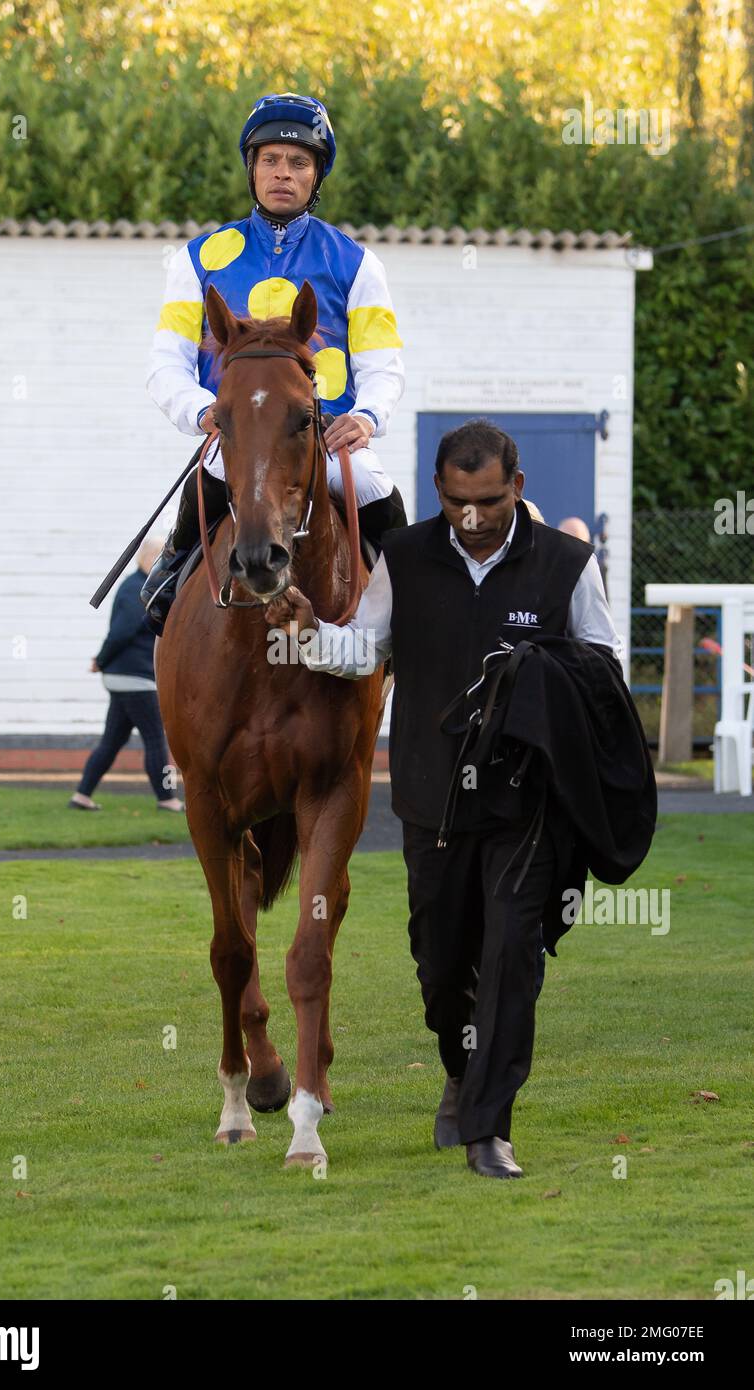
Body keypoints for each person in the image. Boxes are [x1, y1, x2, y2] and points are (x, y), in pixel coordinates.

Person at [262, 419, 632, 1180]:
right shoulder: (404, 558)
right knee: (440, 963)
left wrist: (541, 677)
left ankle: (489, 1126)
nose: (473, 517)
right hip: (432, 802)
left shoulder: (568, 566)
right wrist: (307, 631)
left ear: (517, 488)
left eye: (490, 501)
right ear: (439, 492)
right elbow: (365, 649)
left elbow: (604, 668)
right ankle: (459, 1072)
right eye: (459, 501)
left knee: (509, 960)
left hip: (528, 805)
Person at [141, 91, 408, 632]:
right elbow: (165, 365)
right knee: (209, 476)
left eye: (298, 162)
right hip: (236, 436)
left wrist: (367, 417)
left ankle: (411, 604)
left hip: (326, 438)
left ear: (316, 176)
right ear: (252, 167)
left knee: (379, 492)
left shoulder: (357, 262)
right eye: (270, 160)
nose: (282, 173)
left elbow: (384, 365)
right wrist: (203, 412)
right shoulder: (197, 259)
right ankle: (170, 577)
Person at [70, 539, 184, 813]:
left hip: (125, 678)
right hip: (136, 678)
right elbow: (121, 633)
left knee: (112, 740)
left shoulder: (144, 587)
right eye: (161, 557)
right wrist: (101, 659)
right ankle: (168, 798)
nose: (165, 562)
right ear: (147, 559)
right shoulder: (137, 589)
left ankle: (81, 795)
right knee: (156, 739)